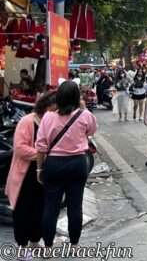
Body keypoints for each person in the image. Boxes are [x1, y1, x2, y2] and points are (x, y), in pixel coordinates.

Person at [36, 81, 98, 248]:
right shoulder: (84, 115)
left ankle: (48, 247)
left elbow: (40, 146)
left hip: (54, 165)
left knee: (51, 207)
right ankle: (74, 244)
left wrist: (39, 169)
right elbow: (92, 131)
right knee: (75, 206)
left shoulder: (48, 117)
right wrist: (83, 108)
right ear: (77, 97)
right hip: (78, 164)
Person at [6, 91, 57, 251]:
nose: (55, 113)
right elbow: (20, 148)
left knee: (40, 209)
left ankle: (35, 241)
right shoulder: (27, 121)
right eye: (53, 109)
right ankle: (22, 247)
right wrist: (41, 155)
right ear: (45, 106)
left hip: (43, 173)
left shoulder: (51, 123)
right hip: (25, 174)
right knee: (22, 211)